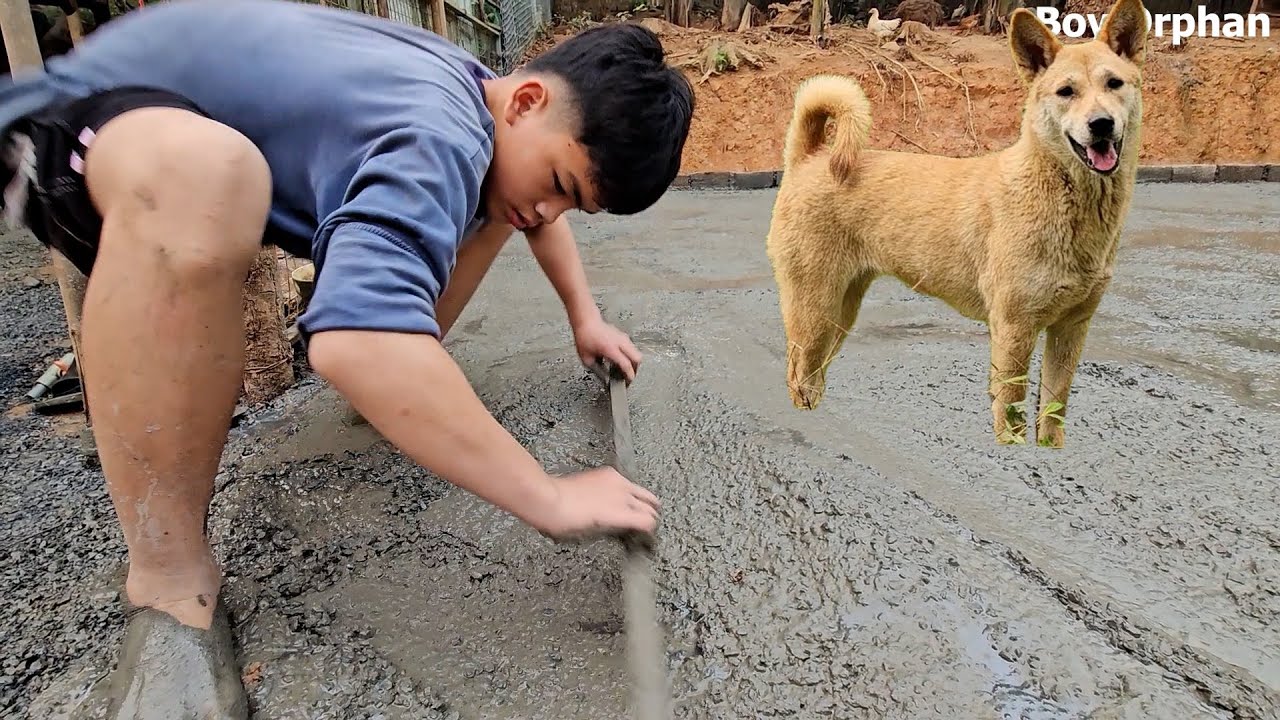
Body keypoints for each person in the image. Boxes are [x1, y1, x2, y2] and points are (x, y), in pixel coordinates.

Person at [0, 0, 694, 716]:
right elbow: (348, 343)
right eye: (562, 186)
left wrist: (586, 317)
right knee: (212, 177)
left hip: (163, 109)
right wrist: (546, 495)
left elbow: (534, 209)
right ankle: (169, 582)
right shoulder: (442, 134)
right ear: (526, 99)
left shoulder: (489, 103)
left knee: (504, 204)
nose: (553, 214)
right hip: (71, 121)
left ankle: (397, 372)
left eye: (574, 205)